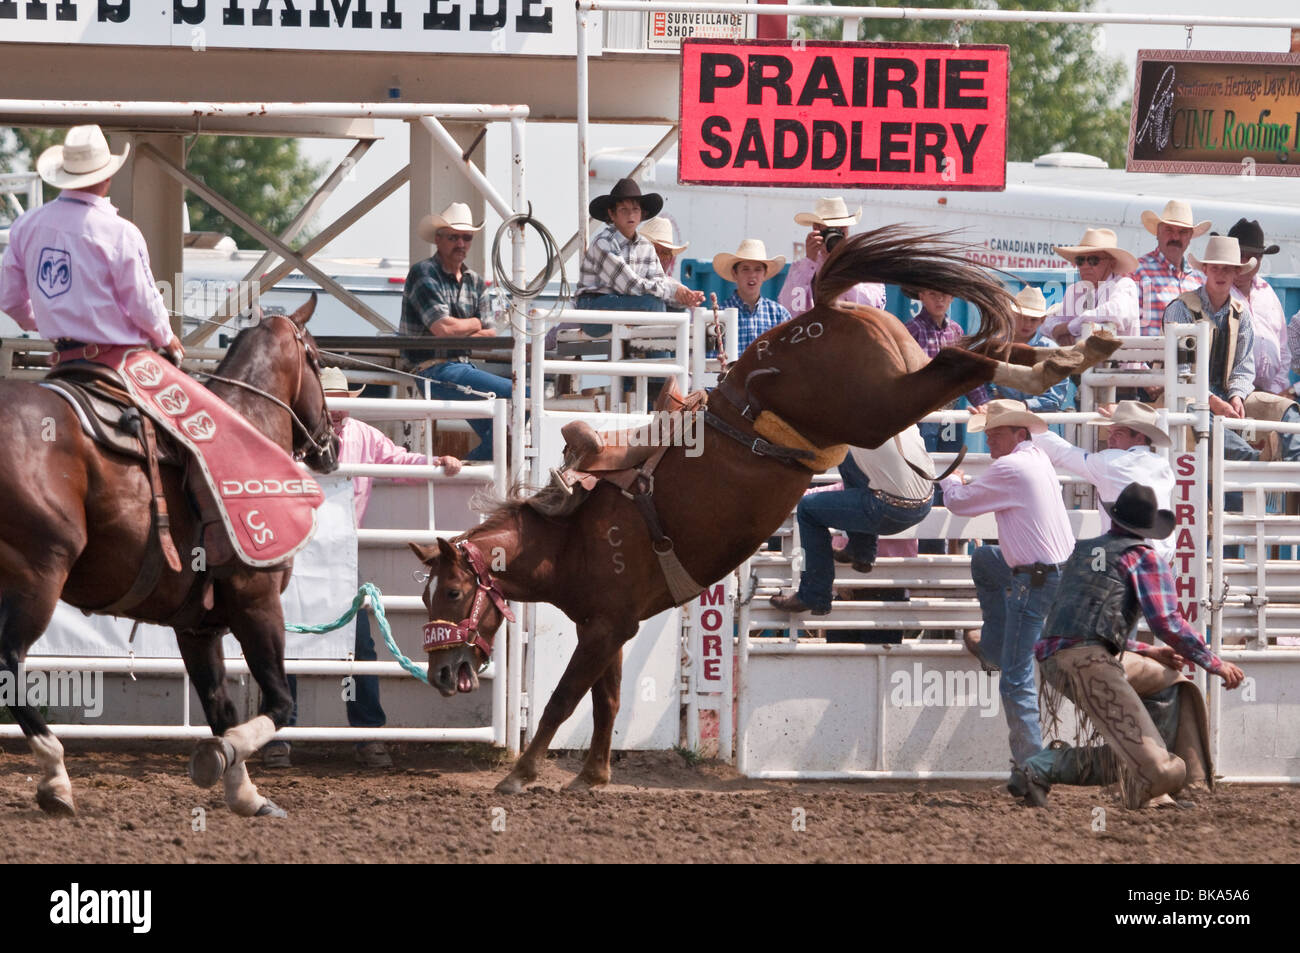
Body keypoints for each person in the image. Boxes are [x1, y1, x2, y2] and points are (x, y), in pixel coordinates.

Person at [263, 367, 463, 769]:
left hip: (336, 555)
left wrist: (436, 461)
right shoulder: (292, 433)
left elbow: (399, 462)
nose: (337, 412)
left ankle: (362, 734)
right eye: (331, 402)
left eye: (342, 404)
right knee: (287, 644)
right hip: (297, 552)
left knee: (356, 647)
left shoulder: (360, 435)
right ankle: (283, 735)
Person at [1013, 483, 1245, 809]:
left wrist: (1144, 650)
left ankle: (1154, 775)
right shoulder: (1143, 558)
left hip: (1066, 656)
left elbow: (1080, 619)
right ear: (1148, 528)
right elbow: (1167, 622)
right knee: (1163, 770)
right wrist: (1214, 663)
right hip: (1089, 663)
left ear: (1115, 517)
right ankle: (1041, 766)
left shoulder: (1083, 551)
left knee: (1169, 679)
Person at [941, 400, 1075, 775]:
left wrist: (950, 479)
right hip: (1056, 573)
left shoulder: (1012, 467)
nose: (990, 441)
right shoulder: (1035, 458)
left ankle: (1032, 770)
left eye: (995, 434)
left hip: (1034, 581)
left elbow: (959, 504)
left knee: (1016, 680)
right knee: (986, 560)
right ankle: (994, 646)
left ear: (1019, 434)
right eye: (988, 434)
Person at [0, 125, 184, 362]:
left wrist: (49, 321)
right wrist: (166, 337)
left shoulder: (26, 225)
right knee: (191, 399)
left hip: (63, 357)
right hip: (117, 360)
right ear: (108, 176)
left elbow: (10, 299)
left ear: (63, 173)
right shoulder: (120, 232)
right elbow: (142, 302)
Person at [769, 424, 934, 615]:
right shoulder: (899, 411)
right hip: (924, 499)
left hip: (890, 508)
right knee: (846, 456)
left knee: (807, 509)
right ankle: (861, 551)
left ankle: (815, 594)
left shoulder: (853, 415)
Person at [1165, 235, 1300, 463]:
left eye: (1227, 269)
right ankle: (1255, 458)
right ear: (1205, 270)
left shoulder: (1241, 313)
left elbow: (1243, 368)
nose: (1221, 274)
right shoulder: (1181, 309)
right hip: (1185, 396)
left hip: (1227, 395)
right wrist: (1212, 400)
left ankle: (1294, 467)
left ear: (1236, 273)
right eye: (1216, 268)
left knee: (1286, 409)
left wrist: (1237, 395)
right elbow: (1181, 372)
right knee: (1197, 417)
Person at [400, 201, 508, 462]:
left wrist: (460, 328)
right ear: (438, 239)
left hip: (459, 370)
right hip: (432, 369)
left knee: (503, 437)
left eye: (466, 238)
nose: (461, 244)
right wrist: (475, 323)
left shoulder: (474, 280)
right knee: (522, 396)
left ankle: (463, 468)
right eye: (453, 237)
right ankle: (465, 467)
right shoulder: (423, 272)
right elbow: (443, 328)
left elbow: (490, 338)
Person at [1033, 400, 1175, 563]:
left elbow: (1063, 453)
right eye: (1110, 433)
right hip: (1163, 563)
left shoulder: (1112, 462)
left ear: (1139, 438)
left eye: (1118, 434)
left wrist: (1031, 428)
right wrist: (1122, 416)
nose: (1111, 439)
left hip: (1129, 563)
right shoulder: (1161, 463)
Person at [904, 286, 989, 554]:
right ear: (921, 296)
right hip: (923, 415)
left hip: (948, 416)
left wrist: (982, 403)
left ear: (952, 296)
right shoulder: (912, 331)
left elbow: (966, 375)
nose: (939, 299)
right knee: (925, 477)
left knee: (949, 472)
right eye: (932, 293)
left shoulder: (956, 331)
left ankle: (945, 547)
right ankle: (929, 548)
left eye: (944, 294)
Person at [575, 178, 703, 315]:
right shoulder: (604, 243)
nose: (631, 215)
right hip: (592, 305)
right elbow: (630, 285)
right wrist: (674, 291)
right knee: (652, 304)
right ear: (612, 214)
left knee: (676, 308)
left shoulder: (646, 245)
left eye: (635, 209)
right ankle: (656, 336)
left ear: (642, 214)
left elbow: (658, 281)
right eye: (624, 210)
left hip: (625, 301)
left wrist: (683, 297)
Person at [777, 197, 885, 317]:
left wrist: (842, 267)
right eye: (831, 229)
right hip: (819, 332)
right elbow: (790, 311)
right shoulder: (801, 268)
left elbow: (872, 308)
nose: (837, 234)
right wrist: (809, 262)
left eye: (842, 228)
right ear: (816, 229)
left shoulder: (864, 264)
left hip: (853, 332)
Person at [1221, 219, 1291, 396]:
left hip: (1270, 392)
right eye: (1240, 255)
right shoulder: (1219, 292)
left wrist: (1275, 388)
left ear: (1260, 259)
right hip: (1229, 391)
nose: (1245, 262)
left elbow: (1282, 346)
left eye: (1251, 256)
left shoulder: (1267, 292)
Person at [1042, 227, 1140, 345]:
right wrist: (1057, 330)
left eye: (1093, 260)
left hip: (1119, 362)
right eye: (1080, 260)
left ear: (1112, 263)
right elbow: (1046, 323)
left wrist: (1069, 328)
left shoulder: (1124, 286)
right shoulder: (1075, 291)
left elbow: (1114, 313)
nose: (1085, 266)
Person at [985, 286, 1073, 412]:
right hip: (1003, 413)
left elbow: (1055, 397)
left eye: (1033, 319)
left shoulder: (1052, 350)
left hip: (1035, 417)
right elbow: (979, 379)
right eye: (1022, 317)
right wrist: (991, 400)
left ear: (1042, 320)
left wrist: (1021, 406)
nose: (1027, 324)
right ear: (1013, 315)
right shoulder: (995, 345)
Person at [1131, 199, 1209, 336]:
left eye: (1183, 232)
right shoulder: (1136, 272)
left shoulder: (1199, 279)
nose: (1175, 237)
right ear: (1158, 232)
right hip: (1151, 356)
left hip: (1191, 356)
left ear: (1190, 236)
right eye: (1169, 230)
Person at [713, 238, 791, 354]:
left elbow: (788, 355)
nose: (752, 275)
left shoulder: (779, 315)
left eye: (758, 269)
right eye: (745, 269)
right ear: (735, 274)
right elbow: (709, 358)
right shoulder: (719, 315)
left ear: (764, 274)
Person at [638, 216, 689, 282]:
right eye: (653, 251)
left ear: (670, 259)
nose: (659, 258)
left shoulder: (672, 288)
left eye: (665, 253)